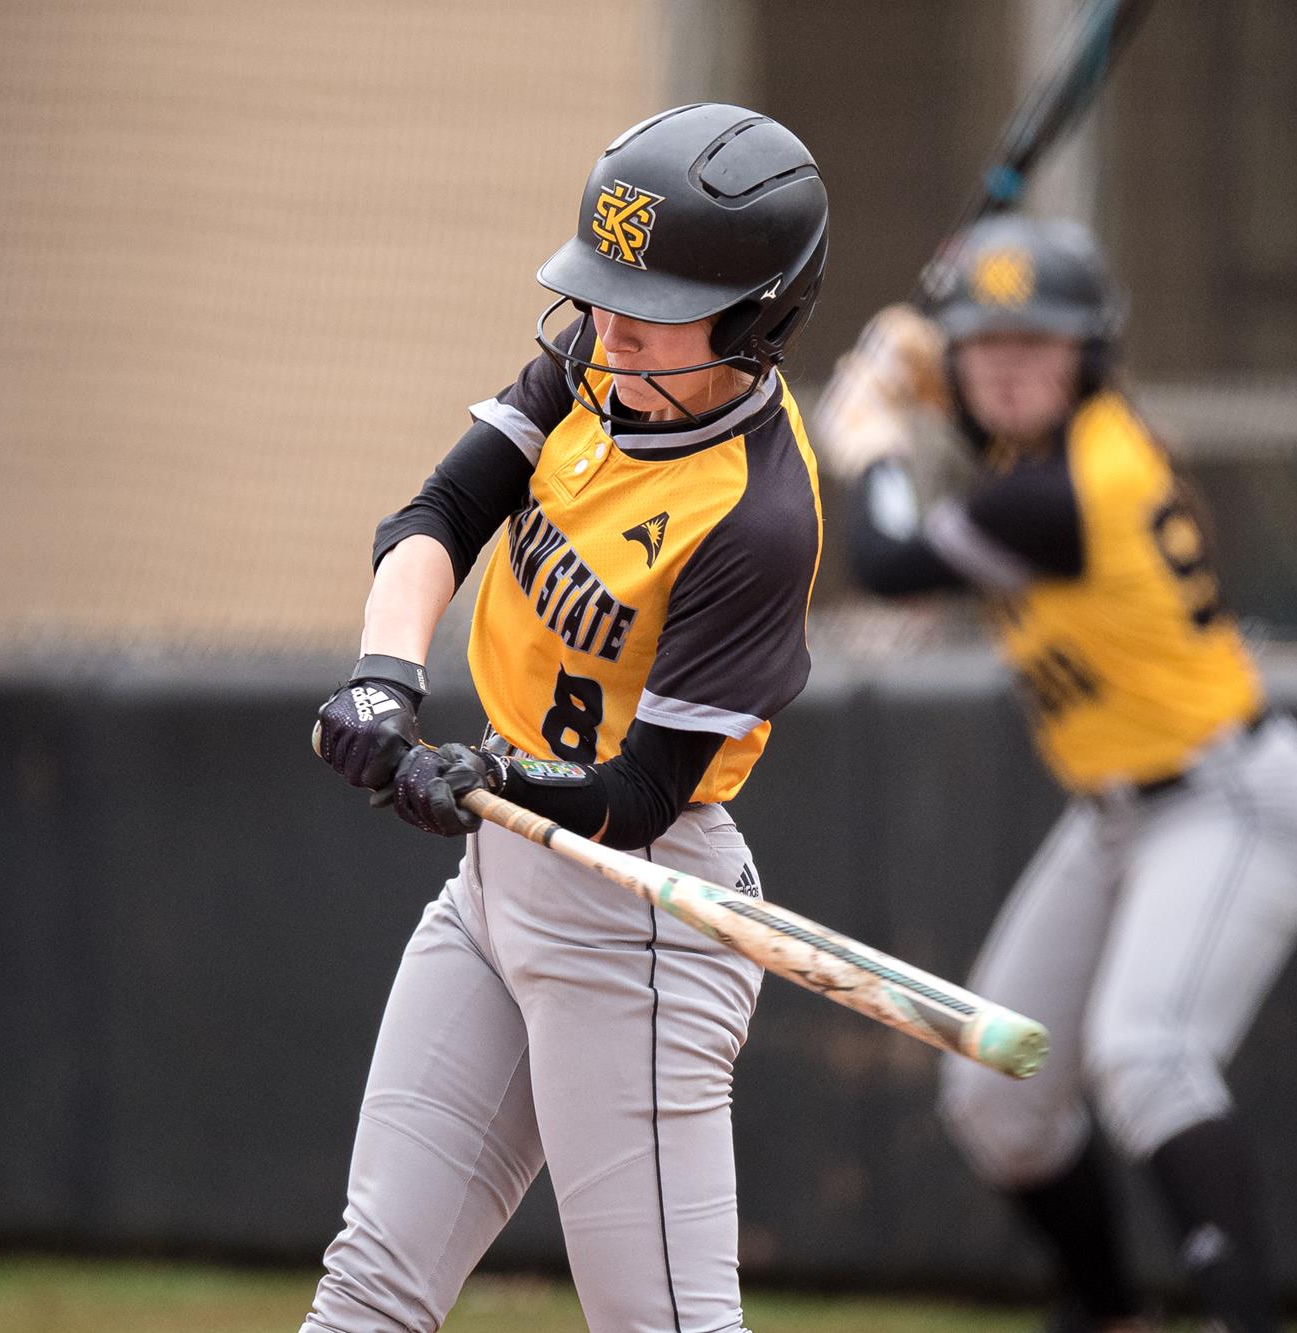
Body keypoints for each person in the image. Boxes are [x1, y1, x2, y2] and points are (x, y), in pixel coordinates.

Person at [305, 102, 828, 1333]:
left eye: (648, 311)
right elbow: (433, 517)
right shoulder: (591, 373)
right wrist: (387, 678)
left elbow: (639, 795)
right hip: (498, 884)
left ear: (753, 321)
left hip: (635, 917)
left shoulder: (753, 516)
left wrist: (486, 772)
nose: (608, 331)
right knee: (370, 1285)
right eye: (601, 296)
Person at [814, 214, 1297, 1333]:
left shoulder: (1062, 491)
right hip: (1115, 814)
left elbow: (886, 561)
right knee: (990, 1093)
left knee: (1146, 1057)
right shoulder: (1037, 455)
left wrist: (868, 433)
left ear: (1087, 357)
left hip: (1228, 797)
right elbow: (979, 444)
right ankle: (1106, 1312)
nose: (1011, 367)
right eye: (988, 343)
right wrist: (936, 370)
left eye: (1038, 343)